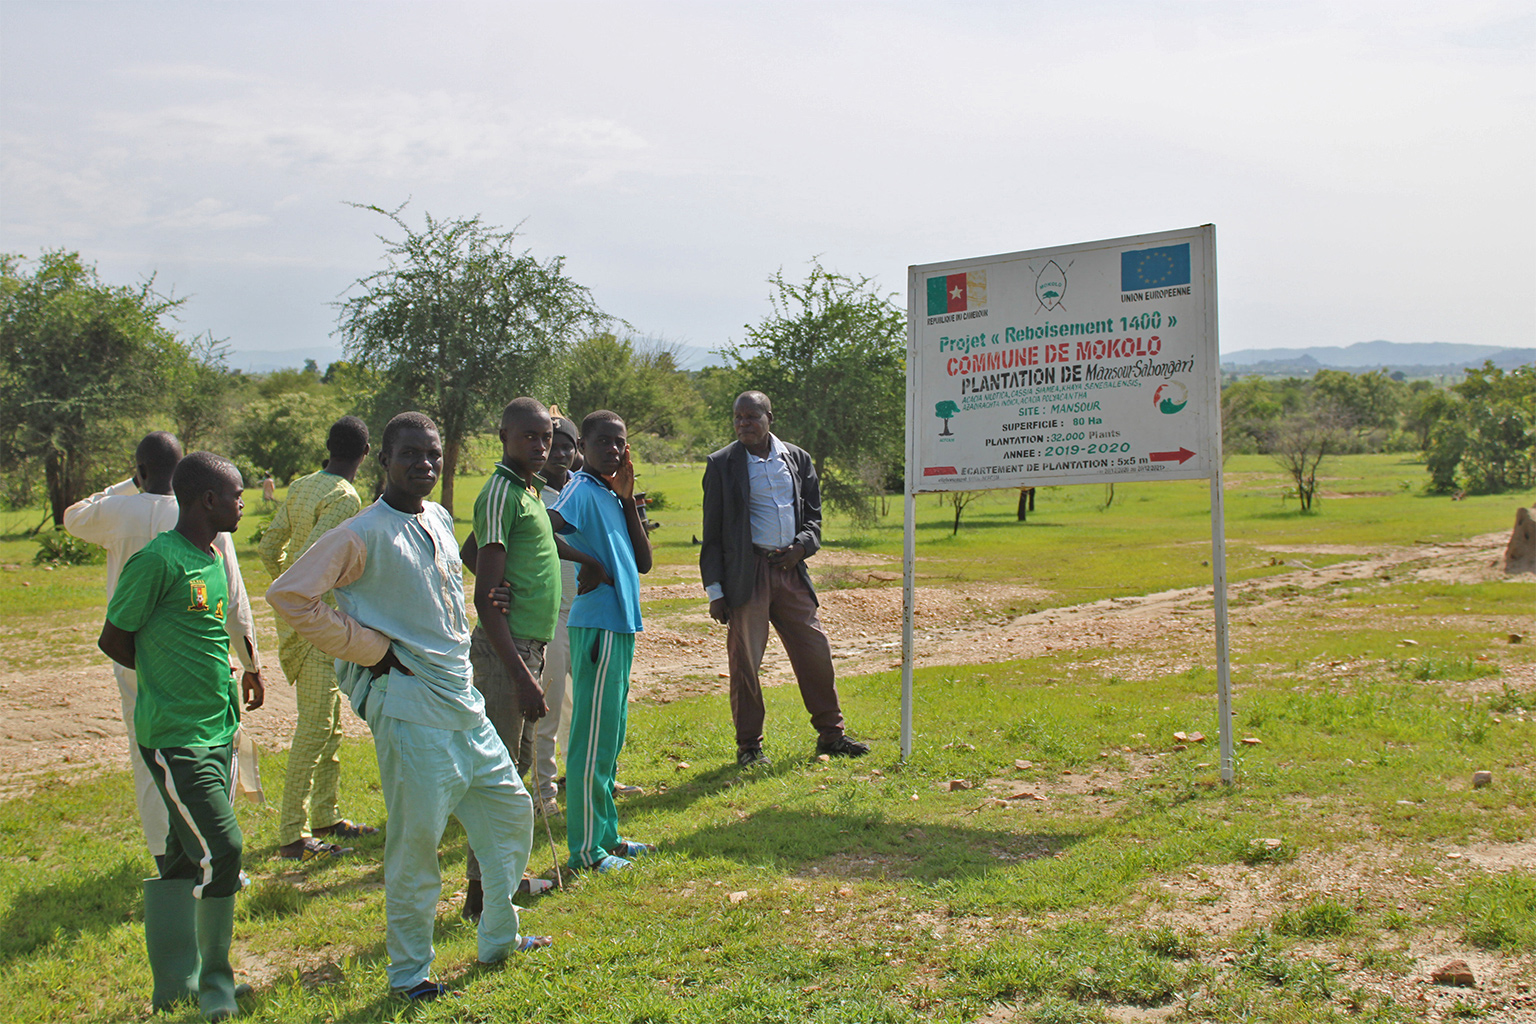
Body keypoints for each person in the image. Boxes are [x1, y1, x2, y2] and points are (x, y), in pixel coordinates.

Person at [266, 412, 549, 1002]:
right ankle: (410, 974)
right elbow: (290, 595)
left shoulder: (439, 517)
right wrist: (369, 649)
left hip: (462, 698)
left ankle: (499, 937)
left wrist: (492, 593)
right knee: (417, 847)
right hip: (411, 705)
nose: (424, 464)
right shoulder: (362, 532)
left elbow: (446, 584)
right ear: (384, 461)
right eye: (410, 454)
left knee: (509, 812)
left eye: (433, 454)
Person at [96, 451, 265, 1021]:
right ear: (207, 501)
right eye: (236, 495)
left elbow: (210, 632)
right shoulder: (157, 560)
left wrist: (241, 673)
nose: (242, 504)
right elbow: (115, 638)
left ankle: (174, 984)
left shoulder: (212, 557)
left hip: (218, 727)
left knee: (179, 856)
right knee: (224, 850)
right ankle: (216, 986)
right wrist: (163, 680)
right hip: (176, 737)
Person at [63, 431, 264, 868]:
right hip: (189, 660)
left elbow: (73, 516)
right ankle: (194, 855)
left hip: (135, 659)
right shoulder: (202, 515)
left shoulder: (118, 510)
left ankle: (169, 853)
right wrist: (250, 662)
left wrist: (128, 484)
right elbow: (236, 599)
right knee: (200, 754)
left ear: (141, 470)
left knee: (151, 759)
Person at [700, 391, 869, 768]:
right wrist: (715, 591)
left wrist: (801, 548)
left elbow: (813, 519)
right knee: (746, 663)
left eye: (751, 416)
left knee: (815, 651)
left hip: (790, 570)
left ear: (769, 418)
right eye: (737, 417)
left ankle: (832, 734)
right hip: (747, 575)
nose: (743, 423)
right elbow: (712, 535)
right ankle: (749, 747)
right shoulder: (722, 463)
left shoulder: (796, 458)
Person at [459, 398, 560, 921]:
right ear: (503, 437)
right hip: (507, 653)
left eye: (545, 437)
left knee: (515, 768)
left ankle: (503, 876)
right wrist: (522, 678)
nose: (539, 446)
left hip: (527, 646)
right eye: (528, 437)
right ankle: (481, 896)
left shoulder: (526, 490)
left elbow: (472, 552)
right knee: (495, 774)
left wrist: (499, 583)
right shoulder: (500, 491)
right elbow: (483, 595)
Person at [257, 415, 376, 861]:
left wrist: (288, 587)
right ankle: (294, 833)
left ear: (328, 446)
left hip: (296, 617)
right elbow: (321, 558)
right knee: (316, 726)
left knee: (331, 723)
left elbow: (270, 548)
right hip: (318, 622)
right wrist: (309, 596)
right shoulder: (346, 496)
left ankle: (326, 814)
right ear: (366, 454)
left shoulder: (303, 485)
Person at [547, 410, 655, 872]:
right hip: (597, 626)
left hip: (621, 625)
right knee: (591, 741)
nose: (613, 449)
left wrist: (628, 500)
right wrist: (587, 563)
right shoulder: (580, 489)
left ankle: (607, 837)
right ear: (582, 447)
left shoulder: (610, 494)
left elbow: (644, 562)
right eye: (603, 441)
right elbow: (543, 529)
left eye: (620, 442)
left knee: (609, 736)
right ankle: (587, 852)